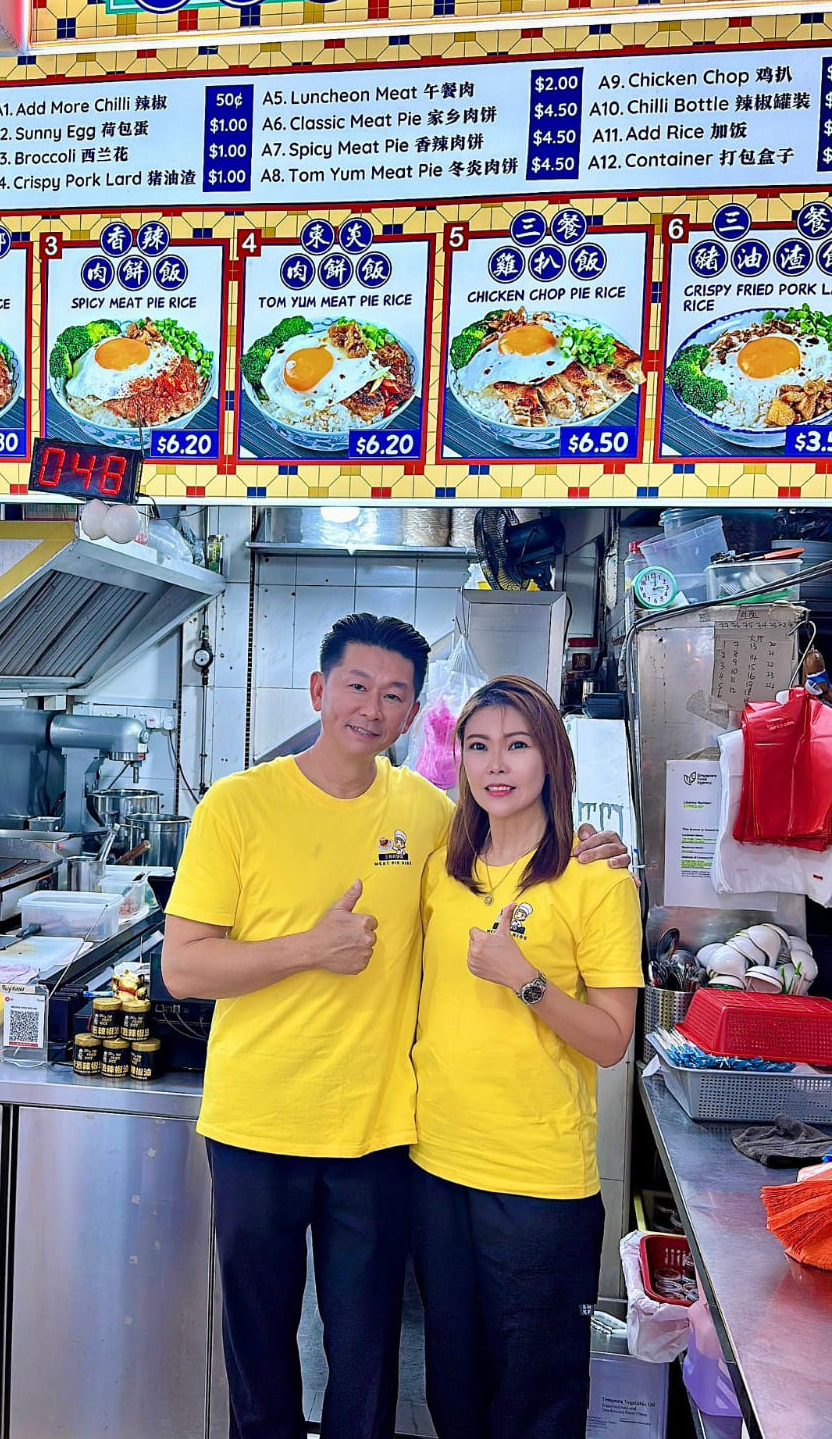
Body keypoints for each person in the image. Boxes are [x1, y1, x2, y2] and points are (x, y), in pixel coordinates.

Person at [162, 615, 631, 1439]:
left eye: (393, 696)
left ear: (414, 716)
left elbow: (521, 847)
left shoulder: (429, 816)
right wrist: (311, 948)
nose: (371, 710)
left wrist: (596, 844)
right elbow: (183, 969)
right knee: (260, 1352)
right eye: (356, 688)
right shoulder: (236, 806)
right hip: (255, 1124)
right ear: (319, 691)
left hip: (379, 1133)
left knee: (368, 1360)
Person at [410, 675, 643, 1439]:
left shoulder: (596, 879)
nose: (496, 764)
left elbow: (611, 1043)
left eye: (518, 744)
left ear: (552, 758)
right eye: (478, 746)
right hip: (437, 1163)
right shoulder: (443, 870)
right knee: (453, 1378)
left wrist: (528, 982)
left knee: (536, 1394)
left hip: (539, 1181)